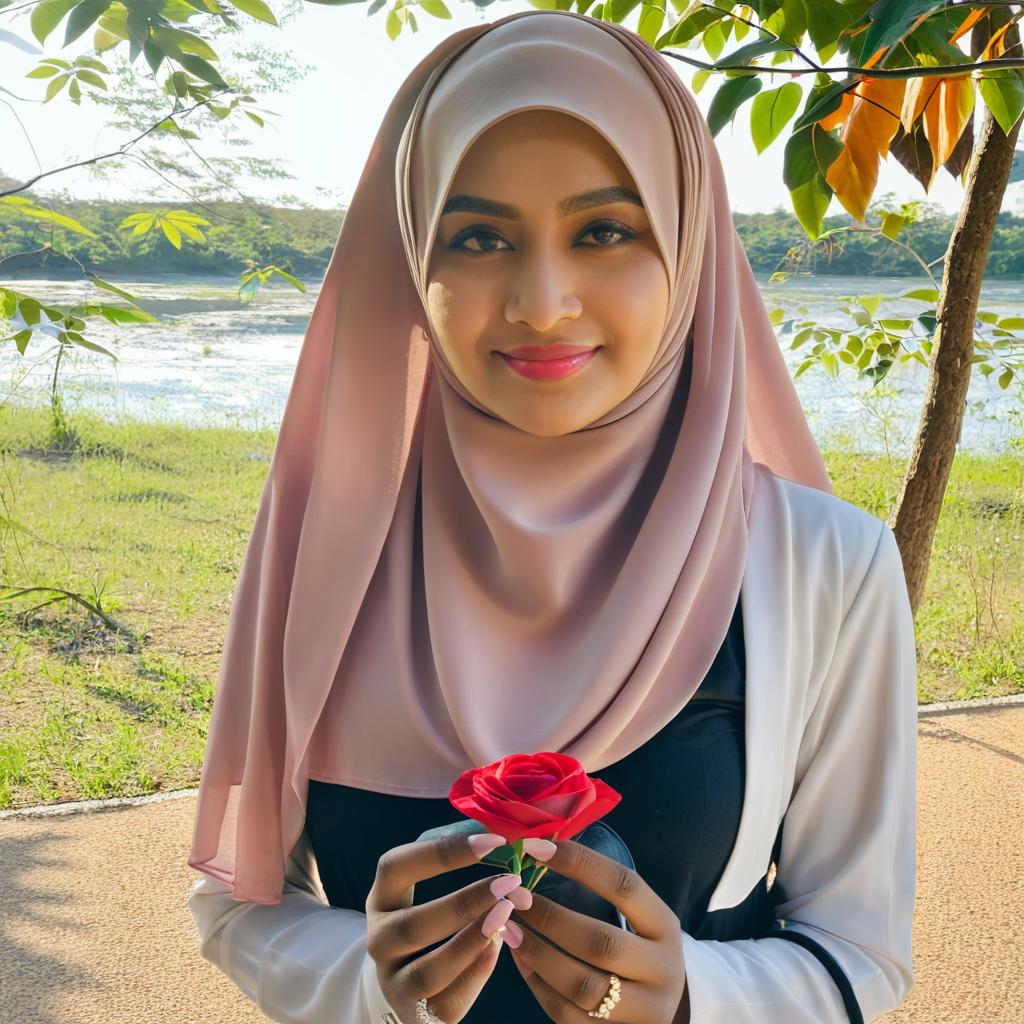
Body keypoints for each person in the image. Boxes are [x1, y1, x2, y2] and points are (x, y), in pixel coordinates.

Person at [185, 10, 918, 1024]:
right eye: (478, 237)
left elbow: (860, 947)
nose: (541, 302)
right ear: (412, 259)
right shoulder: (330, 551)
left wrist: (691, 996)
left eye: (605, 231)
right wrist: (368, 981)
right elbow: (238, 898)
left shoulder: (826, 565)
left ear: (687, 248)